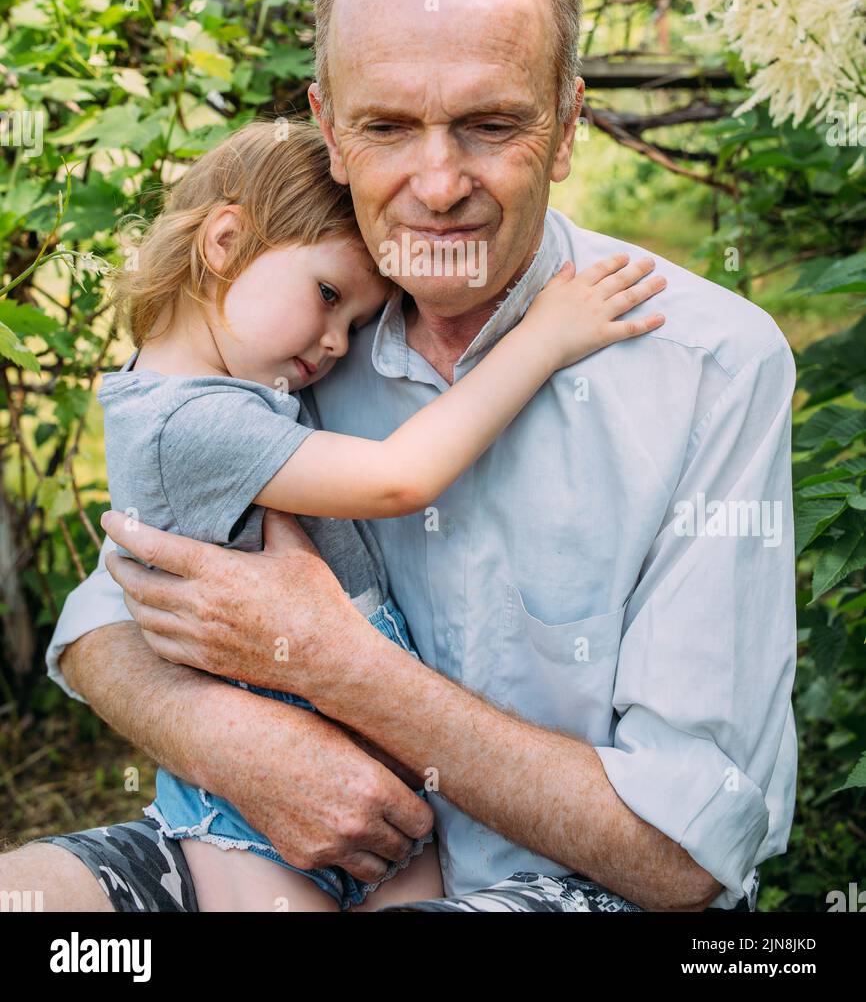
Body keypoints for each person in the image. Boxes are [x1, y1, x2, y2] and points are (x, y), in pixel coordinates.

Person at [2, 0, 797, 913]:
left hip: (574, 887)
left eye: (490, 123)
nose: (437, 182)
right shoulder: (288, 338)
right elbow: (104, 615)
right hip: (280, 848)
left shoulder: (709, 364)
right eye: (386, 126)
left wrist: (341, 669)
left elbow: (682, 857)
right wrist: (233, 741)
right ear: (329, 131)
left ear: (565, 129)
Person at [78, 115, 666, 913]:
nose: (334, 345)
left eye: (353, 321)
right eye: (327, 296)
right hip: (258, 803)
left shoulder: (228, 387)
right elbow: (399, 478)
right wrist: (544, 341)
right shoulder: (186, 424)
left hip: (371, 768)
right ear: (223, 244)